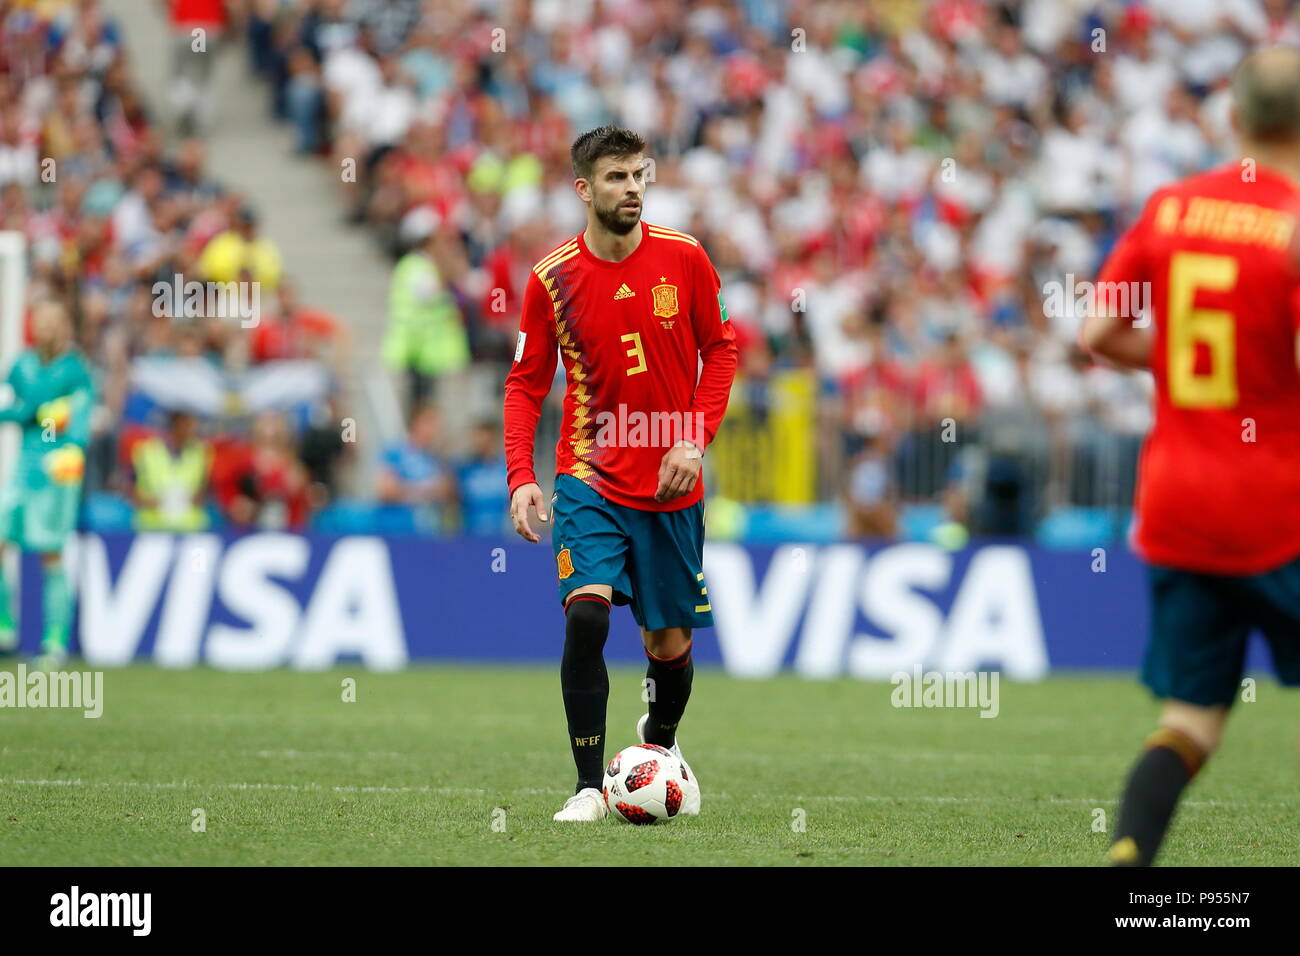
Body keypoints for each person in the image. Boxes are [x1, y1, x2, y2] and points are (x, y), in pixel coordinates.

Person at [1082, 47, 1300, 866]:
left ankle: (1129, 860)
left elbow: (1096, 333)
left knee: (1191, 720)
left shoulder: (1172, 208)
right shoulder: (1293, 223)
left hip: (1180, 504)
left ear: (1235, 119)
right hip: (1280, 505)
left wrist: (1180, 362)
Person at [503, 126, 739, 822]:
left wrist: (692, 439)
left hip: (672, 483)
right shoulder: (550, 280)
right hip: (590, 475)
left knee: (669, 648)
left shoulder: (686, 259)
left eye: (639, 175)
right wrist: (522, 475)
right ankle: (585, 787)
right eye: (616, 178)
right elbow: (524, 385)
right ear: (584, 189)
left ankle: (658, 745)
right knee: (586, 617)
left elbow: (720, 352)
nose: (632, 188)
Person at [0, 301, 96, 669]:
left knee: (50, 553)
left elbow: (80, 417)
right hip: (24, 465)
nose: (48, 329)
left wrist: (70, 445)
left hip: (55, 469)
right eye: (42, 322)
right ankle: (6, 626)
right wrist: (23, 413)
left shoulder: (74, 371)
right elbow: (11, 405)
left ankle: (55, 639)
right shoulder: (22, 365)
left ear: (65, 327)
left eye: (55, 322)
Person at [129, 408, 211, 531]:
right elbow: (131, 491)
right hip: (152, 530)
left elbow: (205, 492)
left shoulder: (201, 453)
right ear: (177, 423)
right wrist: (161, 501)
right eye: (190, 423)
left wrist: (186, 499)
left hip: (190, 531)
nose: (194, 428)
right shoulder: (146, 451)